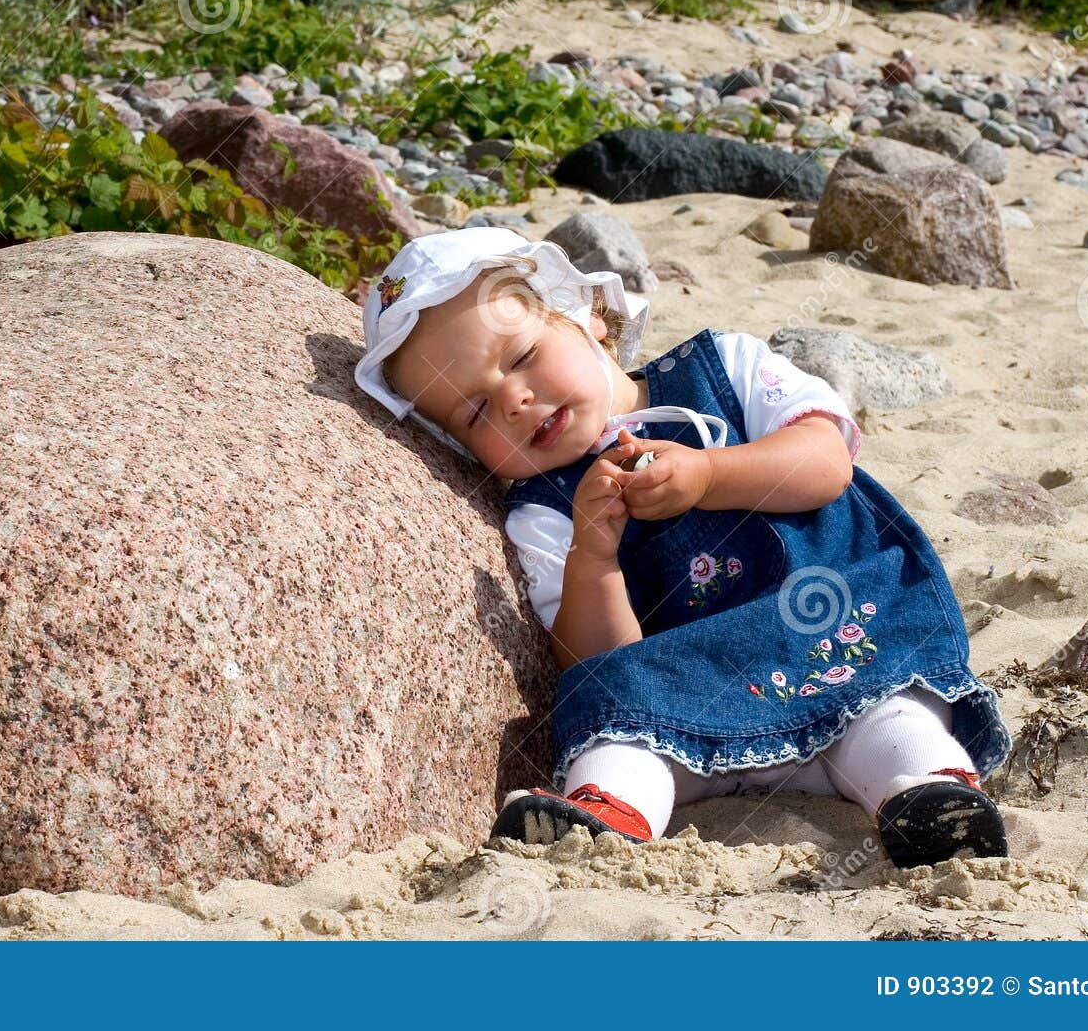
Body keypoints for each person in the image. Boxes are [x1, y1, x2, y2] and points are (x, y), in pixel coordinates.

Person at [353, 227, 1013, 869]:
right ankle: (607, 817)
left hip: (842, 649)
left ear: (586, 315)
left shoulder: (722, 367)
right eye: (477, 413)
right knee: (615, 727)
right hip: (690, 714)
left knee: (892, 715)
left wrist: (709, 474)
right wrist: (595, 558)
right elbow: (601, 659)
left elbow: (826, 460)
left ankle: (931, 793)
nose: (517, 399)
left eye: (522, 357)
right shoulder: (545, 514)